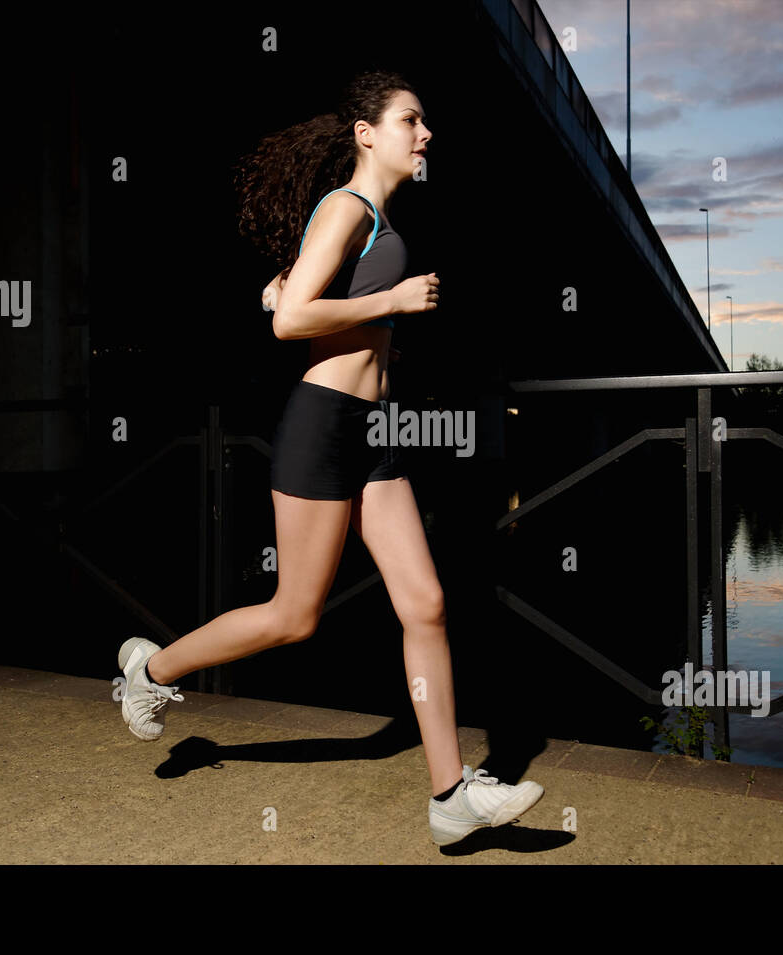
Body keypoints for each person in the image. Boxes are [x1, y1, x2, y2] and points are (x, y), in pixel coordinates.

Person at [116, 70, 542, 848]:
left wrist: (291, 292)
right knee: (294, 615)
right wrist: (393, 301)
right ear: (366, 133)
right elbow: (293, 323)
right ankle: (151, 672)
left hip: (376, 433)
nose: (426, 133)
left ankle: (451, 794)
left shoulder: (369, 216)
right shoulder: (349, 207)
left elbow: (290, 296)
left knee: (427, 603)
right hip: (322, 426)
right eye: (411, 120)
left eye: (425, 122)